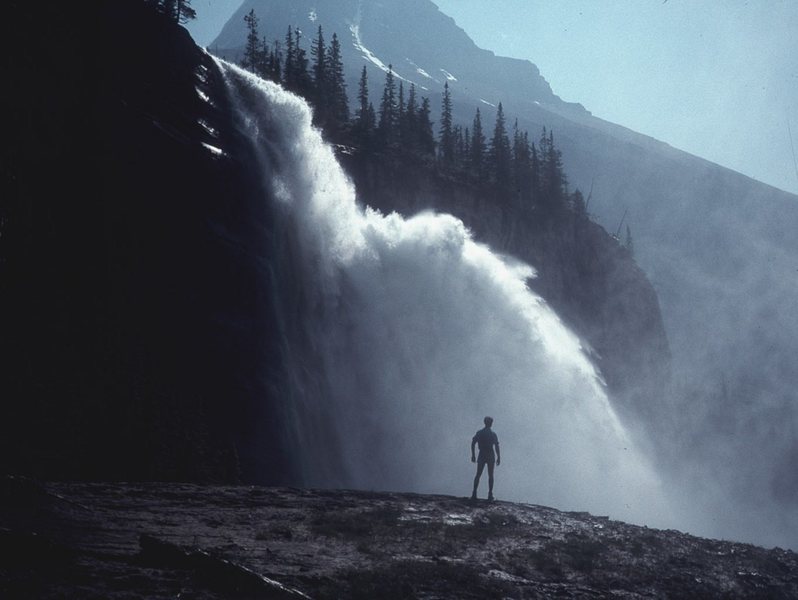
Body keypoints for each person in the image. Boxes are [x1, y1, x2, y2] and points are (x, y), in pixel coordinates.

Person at [471, 416, 500, 501]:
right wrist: (498, 457)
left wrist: (473, 455)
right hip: (487, 454)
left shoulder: (482, 433)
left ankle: (479, 493)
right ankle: (483, 493)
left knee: (483, 474)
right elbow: (496, 446)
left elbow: (473, 443)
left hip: (485, 454)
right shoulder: (491, 434)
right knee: (485, 474)